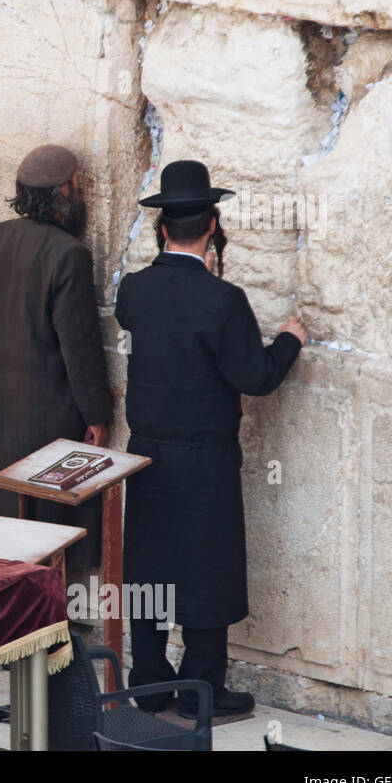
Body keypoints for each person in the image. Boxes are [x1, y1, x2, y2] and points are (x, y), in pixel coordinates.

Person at [115, 159, 307, 717]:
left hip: (146, 455)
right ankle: (203, 693)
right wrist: (289, 341)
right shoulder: (223, 301)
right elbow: (256, 377)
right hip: (204, 460)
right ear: (215, 227)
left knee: (150, 568)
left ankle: (149, 682)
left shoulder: (134, 291)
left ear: (160, 228)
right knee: (205, 570)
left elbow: (155, 313)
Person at [0, 144, 113, 570]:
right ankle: (49, 628)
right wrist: (96, 414)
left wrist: (3, 373)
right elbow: (79, 345)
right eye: (77, 186)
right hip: (50, 417)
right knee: (48, 531)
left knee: (5, 529)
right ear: (64, 194)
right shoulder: (69, 254)